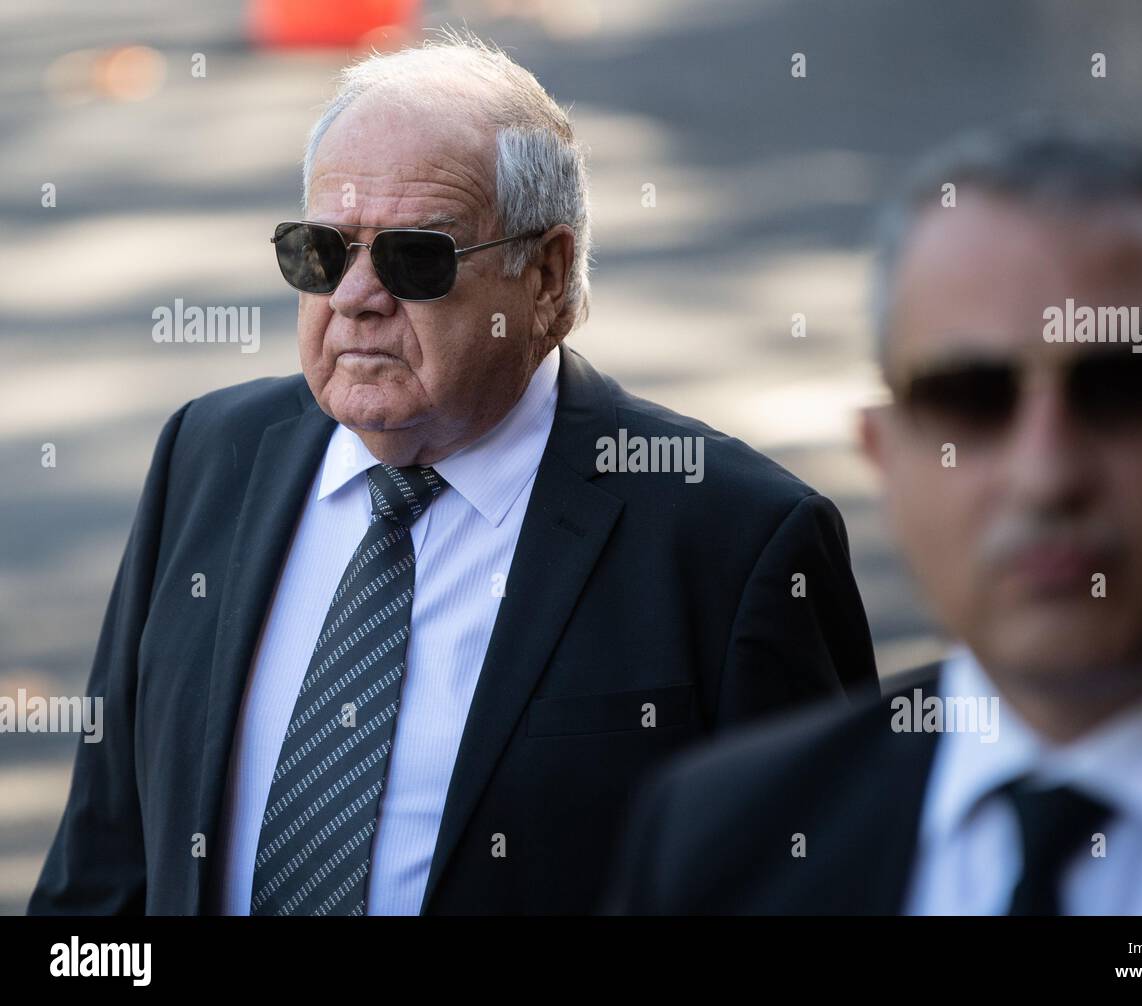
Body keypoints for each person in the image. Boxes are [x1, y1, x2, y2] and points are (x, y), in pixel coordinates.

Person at [28, 31, 876, 917]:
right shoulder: (209, 455)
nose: (356, 295)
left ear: (545, 277)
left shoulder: (736, 540)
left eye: (414, 257)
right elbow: (103, 870)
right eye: (322, 250)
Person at [604, 124, 1142, 915]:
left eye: (1124, 391)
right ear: (884, 456)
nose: (1046, 475)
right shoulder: (719, 846)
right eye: (969, 398)